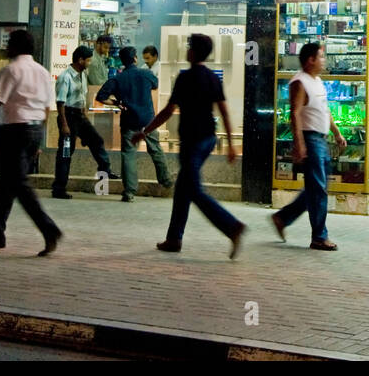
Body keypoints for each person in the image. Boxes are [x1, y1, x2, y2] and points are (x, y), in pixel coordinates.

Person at [134, 33, 244, 258]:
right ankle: (174, 238)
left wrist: (145, 131)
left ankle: (231, 226)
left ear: (193, 52)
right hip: (208, 139)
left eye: (189, 47)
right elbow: (223, 110)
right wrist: (231, 143)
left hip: (192, 141)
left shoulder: (185, 78)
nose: (187, 50)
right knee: (184, 189)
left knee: (192, 189)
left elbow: (167, 111)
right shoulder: (213, 78)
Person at [0, 30, 62, 256]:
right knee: (7, 185)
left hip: (14, 130)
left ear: (16, 47)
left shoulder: (11, 70)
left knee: (18, 184)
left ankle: (49, 229)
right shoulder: (43, 72)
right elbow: (48, 107)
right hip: (35, 129)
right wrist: (39, 137)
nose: (6, 48)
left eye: (8, 44)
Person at [271, 42, 346, 250]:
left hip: (320, 139)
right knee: (318, 189)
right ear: (310, 60)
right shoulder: (299, 82)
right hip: (310, 139)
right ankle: (319, 237)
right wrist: (299, 144)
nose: (324, 60)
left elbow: (325, 110)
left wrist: (337, 132)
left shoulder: (317, 81)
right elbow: (293, 114)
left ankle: (283, 217)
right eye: (321, 57)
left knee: (317, 187)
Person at [98, 46, 172, 202]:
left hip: (129, 121)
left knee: (128, 155)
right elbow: (155, 85)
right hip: (148, 121)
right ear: (135, 58)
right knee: (156, 150)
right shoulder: (146, 74)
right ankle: (166, 180)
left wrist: (116, 102)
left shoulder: (117, 78)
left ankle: (129, 192)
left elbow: (101, 96)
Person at [52, 45, 117, 198]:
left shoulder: (82, 75)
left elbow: (82, 98)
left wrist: (85, 119)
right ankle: (59, 188)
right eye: (88, 61)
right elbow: (60, 102)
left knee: (96, 141)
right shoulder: (65, 77)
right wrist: (64, 125)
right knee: (66, 152)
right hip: (68, 116)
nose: (89, 63)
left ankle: (105, 170)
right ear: (80, 60)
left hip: (79, 116)